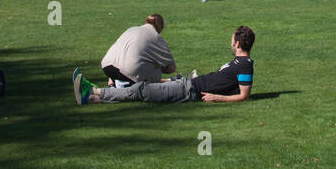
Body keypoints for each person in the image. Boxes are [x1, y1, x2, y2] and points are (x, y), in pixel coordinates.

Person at [74, 26, 254, 105]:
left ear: (238, 44)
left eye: (231, 41)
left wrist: (218, 98)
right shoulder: (240, 63)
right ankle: (93, 96)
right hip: (189, 84)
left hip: (189, 91)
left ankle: (92, 94)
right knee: (149, 86)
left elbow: (244, 95)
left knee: (140, 90)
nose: (230, 44)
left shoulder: (245, 65)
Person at [100, 14, 177, 86]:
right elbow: (171, 68)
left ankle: (113, 81)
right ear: (160, 27)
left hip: (107, 66)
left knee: (123, 61)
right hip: (127, 73)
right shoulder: (156, 37)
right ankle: (123, 85)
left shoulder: (131, 29)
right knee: (154, 68)